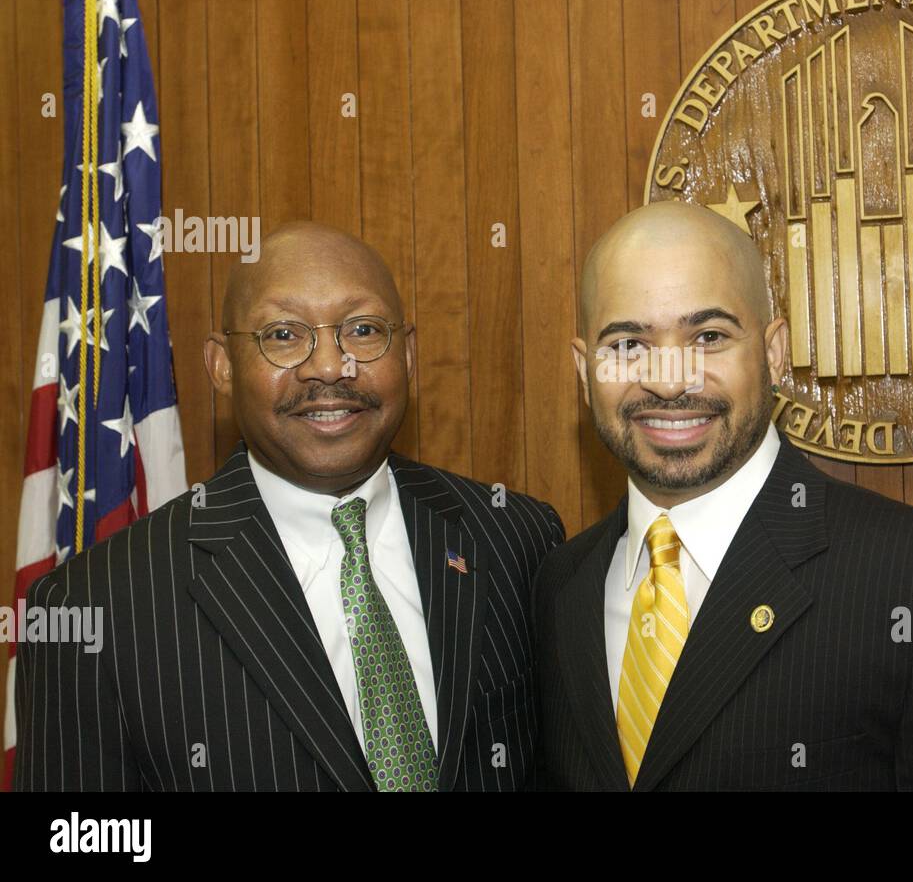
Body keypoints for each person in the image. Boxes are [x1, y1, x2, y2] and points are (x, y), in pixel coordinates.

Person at [533, 200, 913, 790]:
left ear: (771, 351)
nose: (668, 379)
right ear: (585, 372)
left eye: (709, 336)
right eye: (629, 345)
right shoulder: (559, 589)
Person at [15, 221, 563, 791]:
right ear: (222, 364)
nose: (330, 367)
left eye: (364, 330)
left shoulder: (515, 539)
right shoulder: (95, 606)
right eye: (283, 335)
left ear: (410, 354)